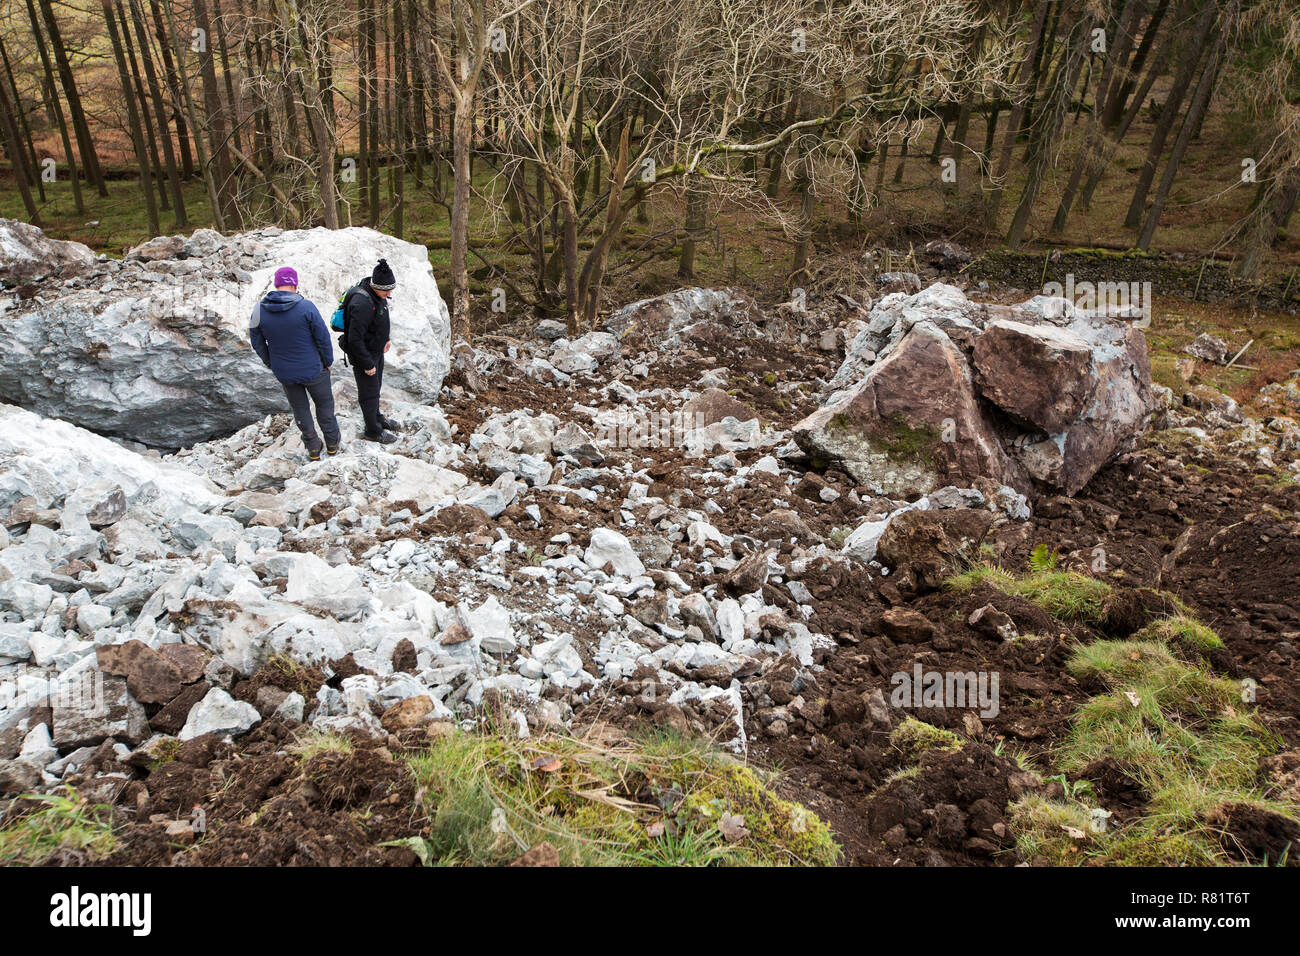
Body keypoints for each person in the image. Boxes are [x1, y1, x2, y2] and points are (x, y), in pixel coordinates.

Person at [249, 266, 341, 460]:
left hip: (285, 372)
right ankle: (332, 444)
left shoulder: (258, 309)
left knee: (300, 409)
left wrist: (271, 362)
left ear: (276, 285)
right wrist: (327, 361)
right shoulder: (306, 306)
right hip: (314, 369)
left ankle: (313, 447)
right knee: (324, 406)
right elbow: (322, 337)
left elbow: (256, 342)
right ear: (295, 285)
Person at [343, 257, 401, 443]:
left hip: (376, 350)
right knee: (368, 393)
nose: (390, 292)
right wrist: (366, 363)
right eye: (387, 290)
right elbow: (354, 339)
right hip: (364, 355)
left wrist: (386, 339)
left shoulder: (378, 293)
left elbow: (380, 318)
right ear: (376, 286)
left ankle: (377, 417)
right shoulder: (362, 303)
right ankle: (373, 431)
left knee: (375, 387)